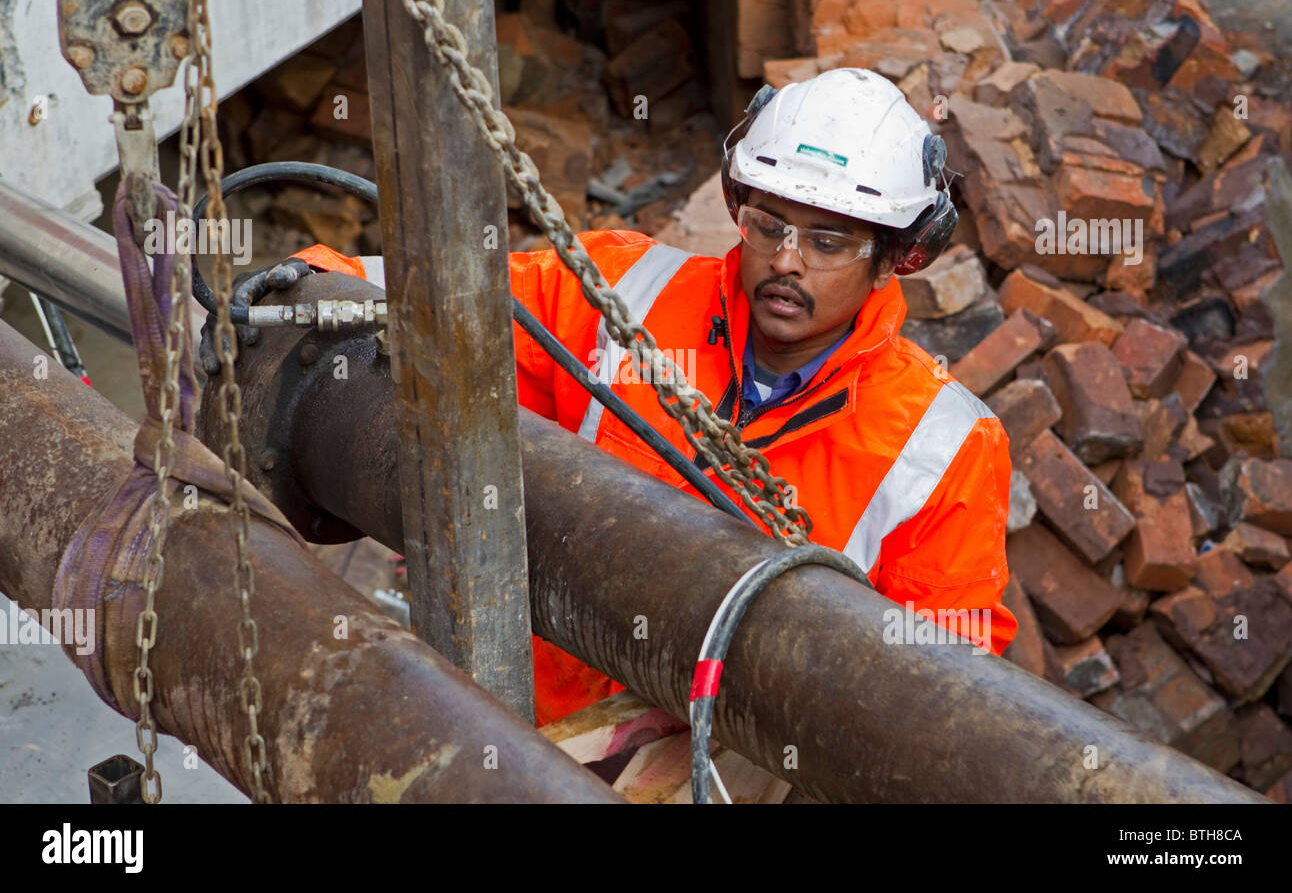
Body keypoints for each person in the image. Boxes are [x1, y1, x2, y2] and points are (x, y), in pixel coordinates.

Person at [232, 67, 1017, 727]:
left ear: (896, 258)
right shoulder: (628, 295)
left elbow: (940, 695)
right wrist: (307, 286)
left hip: (728, 758)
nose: (786, 261)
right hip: (525, 716)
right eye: (769, 224)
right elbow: (453, 303)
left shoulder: (943, 448)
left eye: (827, 241)